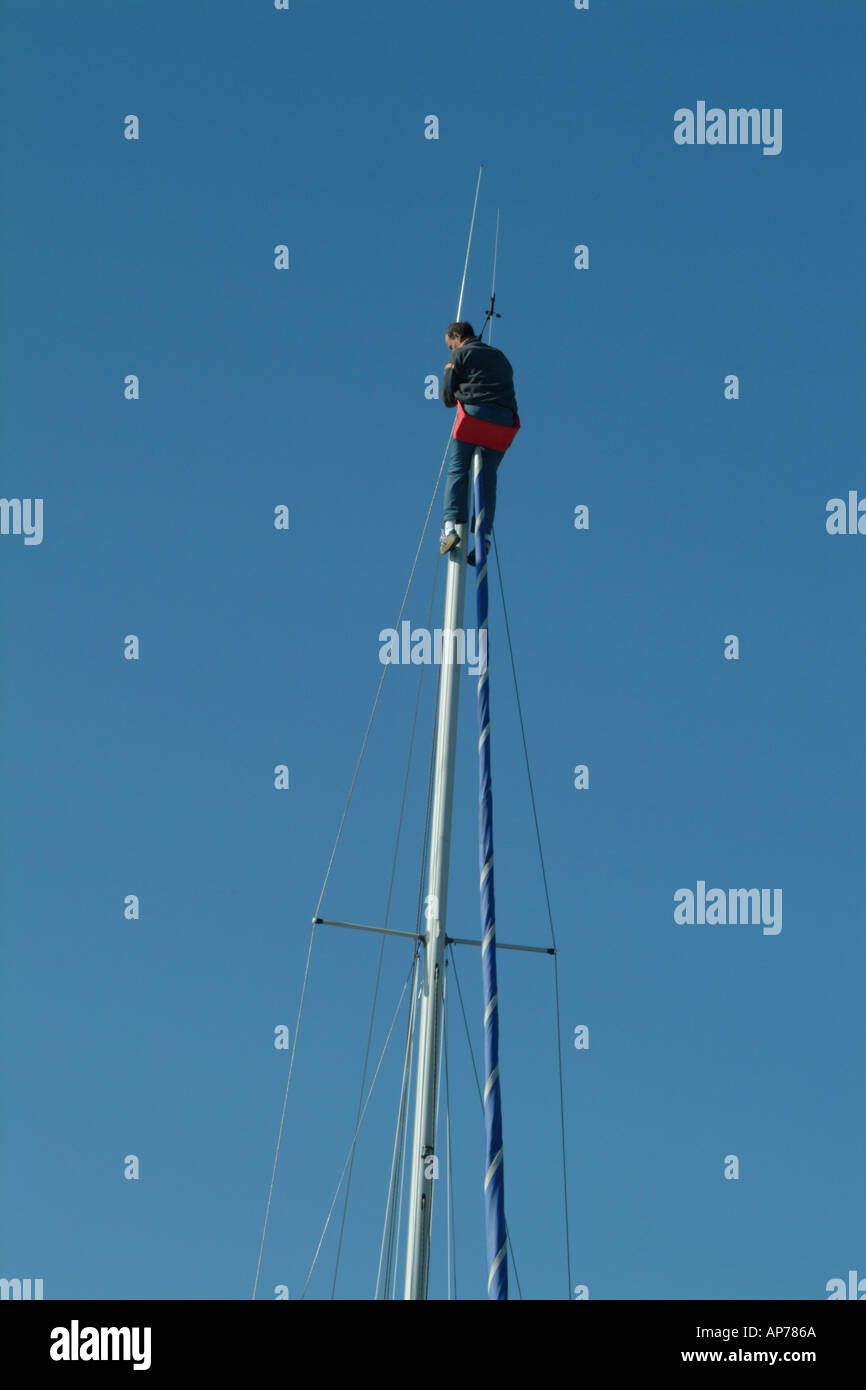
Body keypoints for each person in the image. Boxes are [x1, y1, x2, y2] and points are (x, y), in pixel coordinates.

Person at [439, 322, 518, 562]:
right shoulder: (500, 356)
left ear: (457, 336)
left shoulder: (459, 353)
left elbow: (446, 396)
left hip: (475, 416)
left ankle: (450, 527)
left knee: (458, 469)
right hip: (504, 421)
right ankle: (483, 535)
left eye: (449, 343)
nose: (450, 348)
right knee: (487, 477)